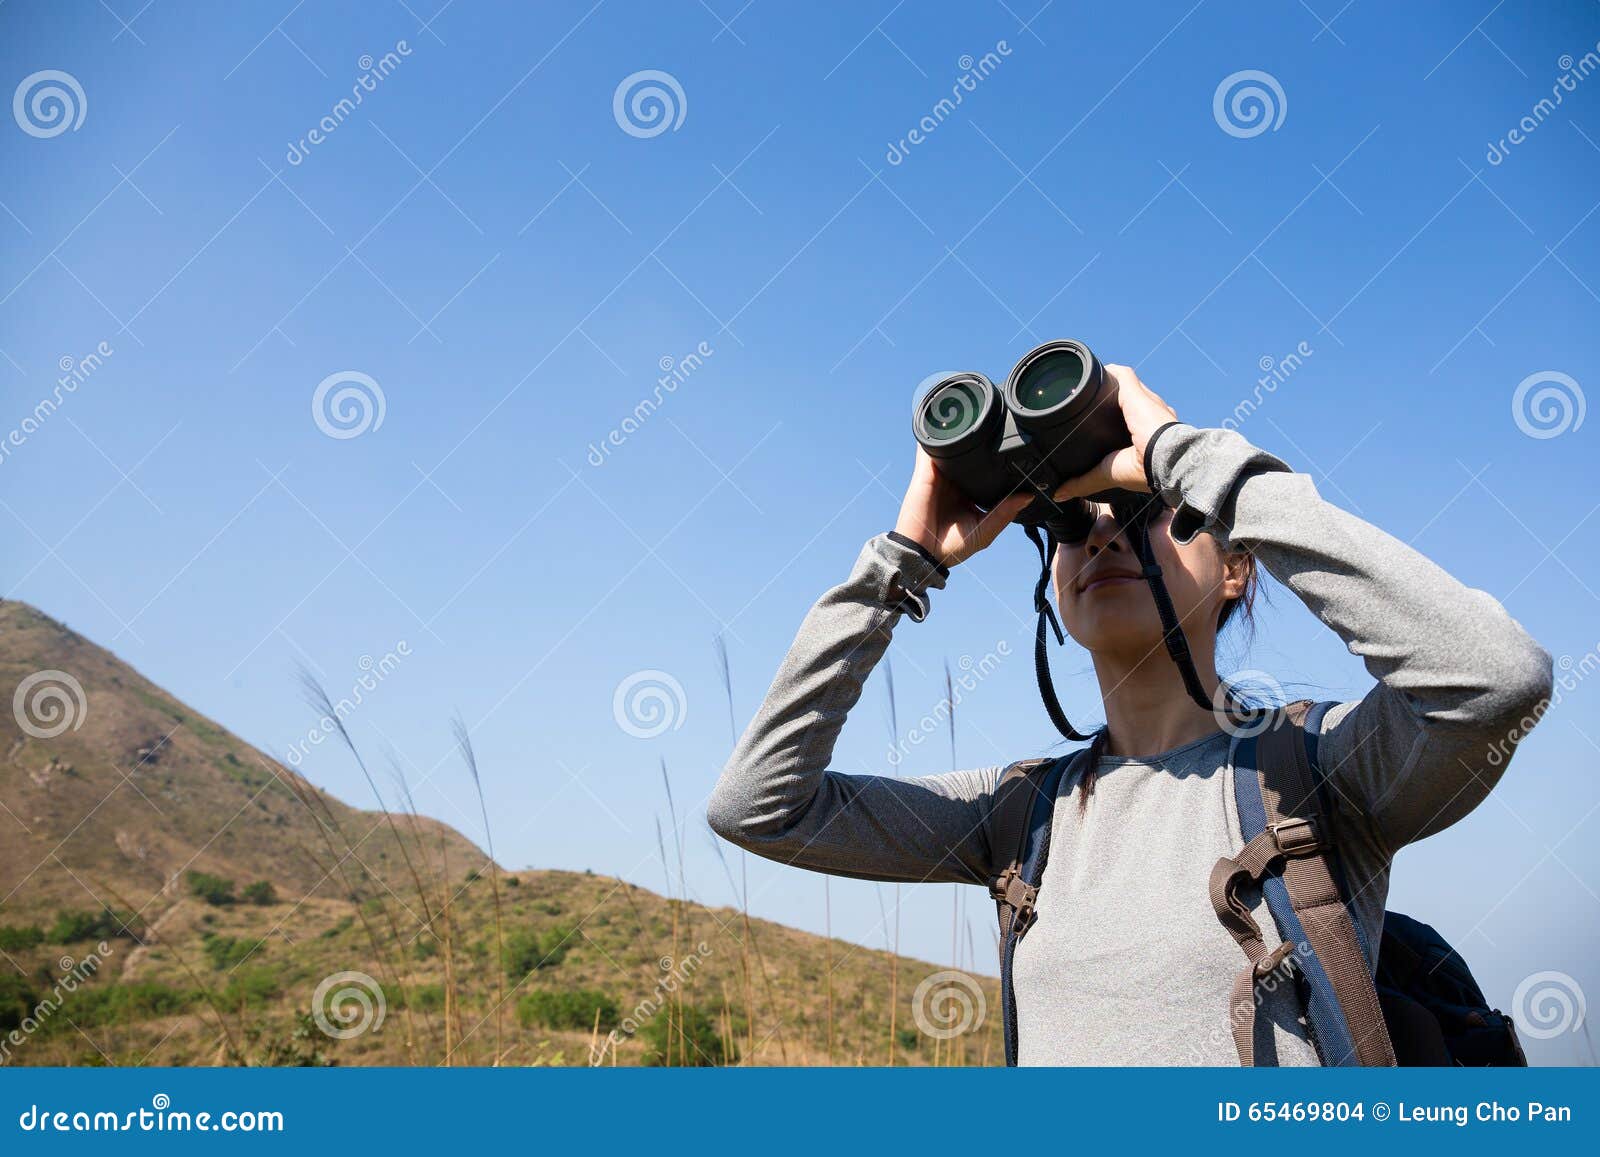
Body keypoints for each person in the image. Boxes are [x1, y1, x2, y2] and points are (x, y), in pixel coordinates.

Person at [707, 364, 1552, 1065]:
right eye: (1073, 524)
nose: (1104, 536)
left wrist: (1187, 459)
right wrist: (902, 564)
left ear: (1236, 567)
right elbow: (757, 806)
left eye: (1147, 512)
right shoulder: (1019, 815)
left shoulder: (1320, 770)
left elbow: (1494, 677)